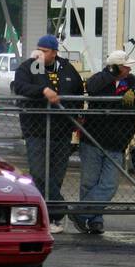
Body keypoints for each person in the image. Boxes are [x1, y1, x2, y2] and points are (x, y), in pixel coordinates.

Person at [69, 50, 135, 235]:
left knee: (109, 184)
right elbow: (91, 87)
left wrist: (134, 92)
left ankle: (80, 213)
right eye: (125, 66)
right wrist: (111, 75)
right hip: (93, 138)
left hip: (117, 141)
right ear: (115, 67)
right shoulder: (99, 79)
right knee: (89, 182)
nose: (129, 68)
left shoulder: (131, 81)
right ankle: (94, 219)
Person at [11, 35, 82, 234]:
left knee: (57, 174)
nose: (40, 53)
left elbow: (78, 90)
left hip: (62, 130)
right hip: (36, 129)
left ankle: (51, 216)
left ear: (54, 52)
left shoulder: (67, 69)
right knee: (39, 173)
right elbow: (21, 86)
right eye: (38, 49)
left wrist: (76, 115)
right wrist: (43, 90)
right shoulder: (31, 66)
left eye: (45, 51)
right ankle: (59, 211)